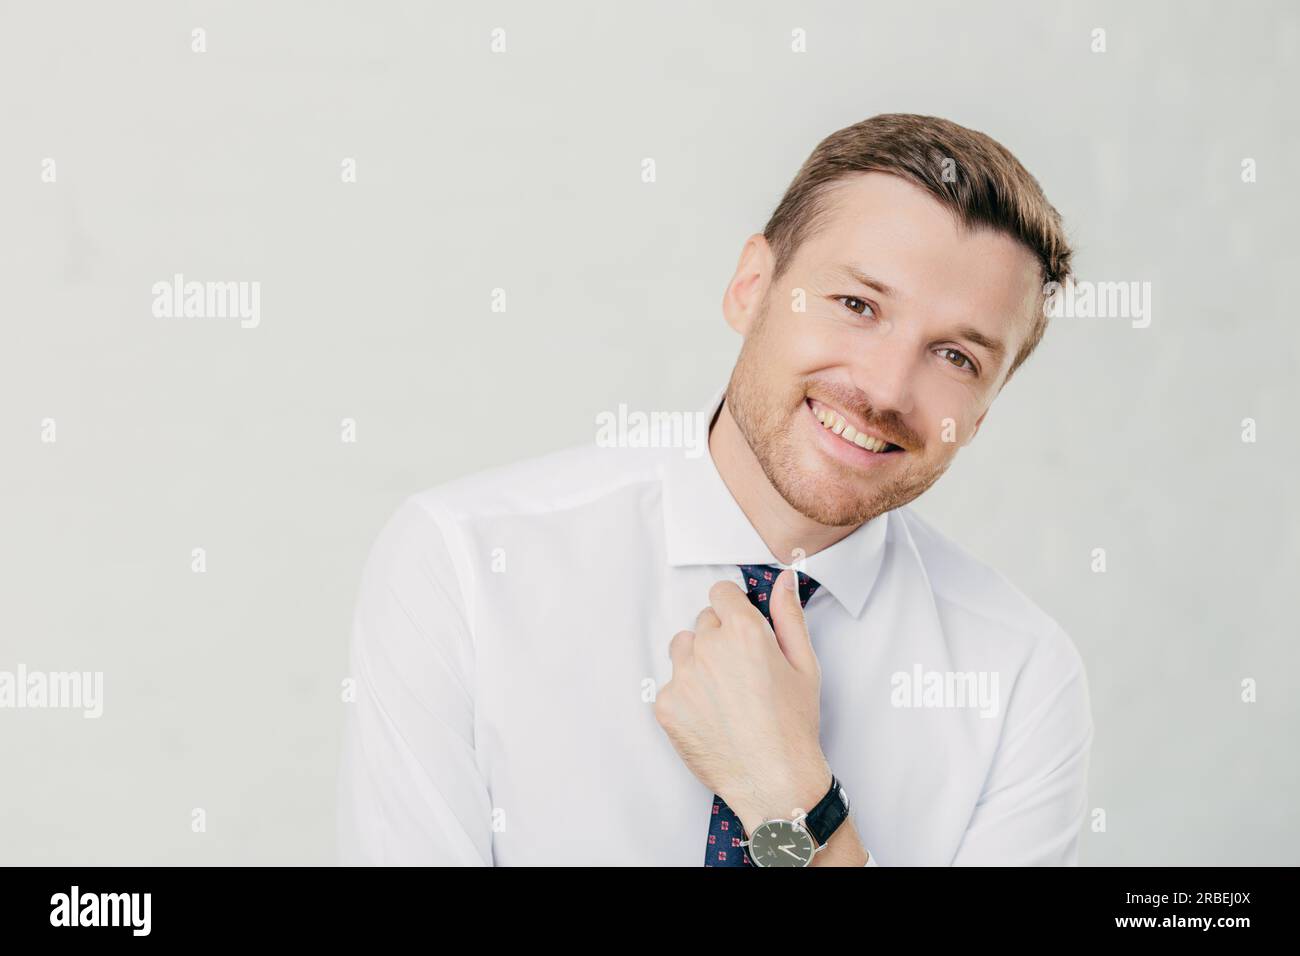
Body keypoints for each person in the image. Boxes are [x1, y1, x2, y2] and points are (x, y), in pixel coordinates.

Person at [337, 113, 1092, 866]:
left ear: (984, 412)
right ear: (751, 287)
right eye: (858, 305)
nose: (885, 389)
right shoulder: (464, 566)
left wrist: (792, 800)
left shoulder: (1021, 681)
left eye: (956, 357)